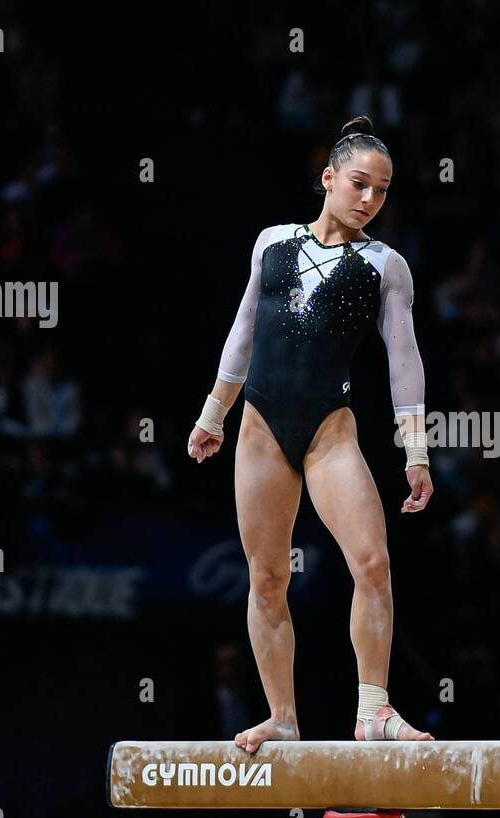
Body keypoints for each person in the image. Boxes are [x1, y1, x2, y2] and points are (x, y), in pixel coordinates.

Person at [186, 116, 435, 753]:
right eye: (358, 184)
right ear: (328, 178)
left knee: (373, 563)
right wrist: (213, 413)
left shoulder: (386, 266)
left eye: (381, 191)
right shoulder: (271, 243)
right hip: (262, 429)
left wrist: (416, 450)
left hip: (330, 429)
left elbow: (403, 359)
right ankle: (283, 716)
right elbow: (244, 328)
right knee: (268, 578)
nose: (369, 200)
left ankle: (373, 709)